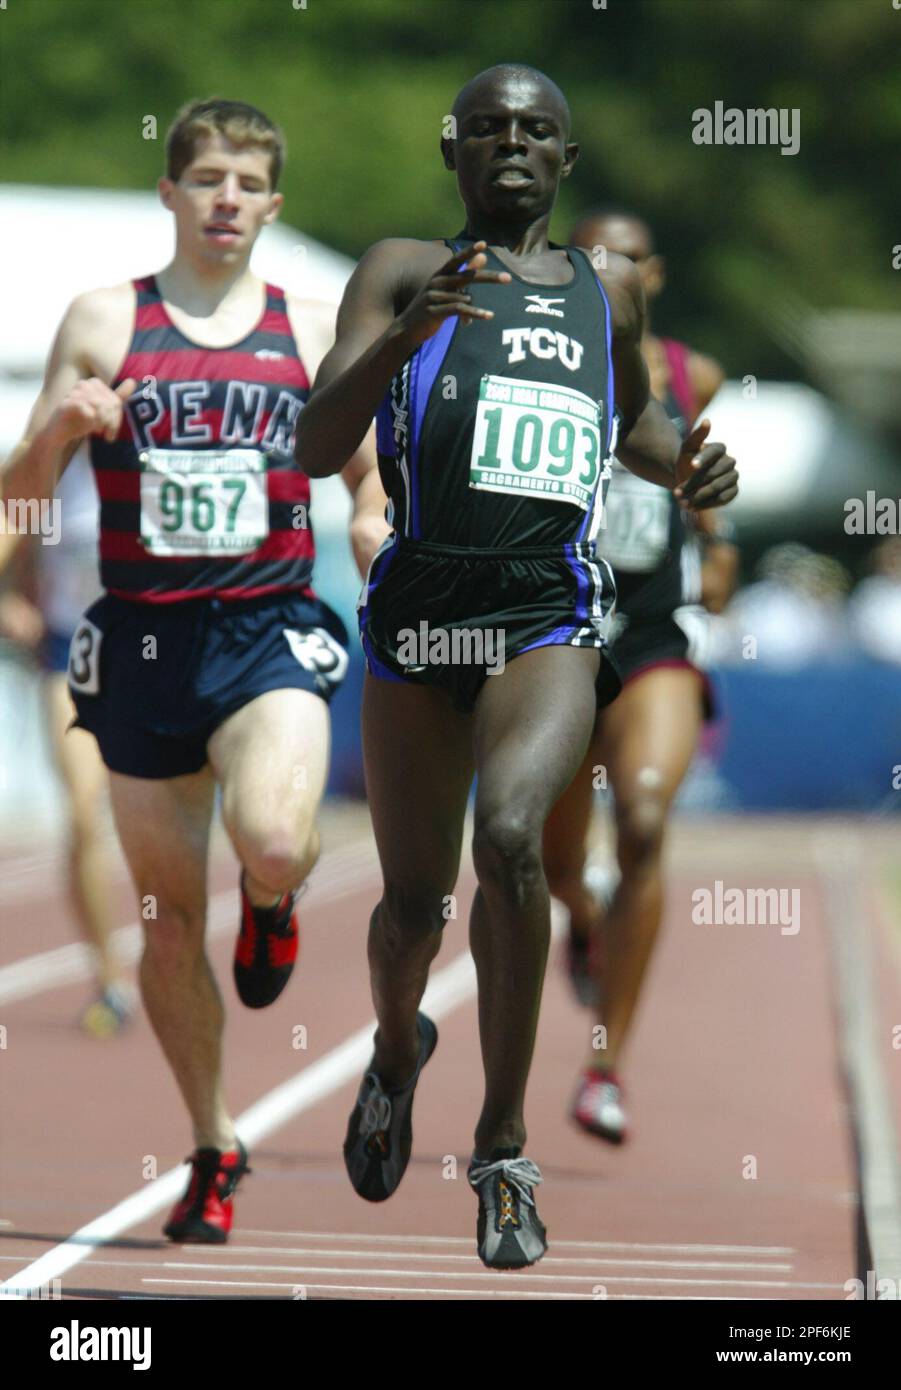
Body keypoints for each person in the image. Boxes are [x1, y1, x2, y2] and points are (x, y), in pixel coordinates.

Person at [294, 65, 738, 1269]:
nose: (511, 144)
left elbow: (632, 422)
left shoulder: (607, 291)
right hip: (420, 608)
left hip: (545, 608)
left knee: (509, 840)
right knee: (410, 908)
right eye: (486, 127)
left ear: (565, 159)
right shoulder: (400, 269)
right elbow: (316, 441)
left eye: (535, 130)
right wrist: (403, 338)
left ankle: (502, 1150)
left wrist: (687, 466)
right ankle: (397, 1051)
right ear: (452, 150)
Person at [1, 98, 386, 1244]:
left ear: (273, 205)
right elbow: (20, 502)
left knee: (270, 837)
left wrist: (373, 523)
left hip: (265, 630)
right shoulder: (102, 319)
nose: (227, 199)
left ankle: (271, 900)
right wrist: (58, 431)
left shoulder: (311, 329)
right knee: (168, 925)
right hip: (140, 644)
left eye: (248, 184)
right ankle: (215, 1143)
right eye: (208, 178)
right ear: (169, 192)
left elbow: (368, 474)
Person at [540, 209, 739, 1146]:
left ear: (651, 274)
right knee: (551, 862)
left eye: (624, 258)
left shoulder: (693, 371)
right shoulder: (540, 356)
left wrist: (719, 541)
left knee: (646, 818)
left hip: (653, 633)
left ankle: (604, 1067)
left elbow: (697, 469)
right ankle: (583, 916)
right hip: (556, 633)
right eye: (591, 256)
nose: (608, 270)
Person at [0, 453, 134, 1036]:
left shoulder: (162, 445)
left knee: (163, 815)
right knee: (82, 814)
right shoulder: (51, 460)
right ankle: (110, 974)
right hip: (70, 654)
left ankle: (179, 947)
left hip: (158, 652)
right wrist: (11, 598)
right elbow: (13, 528)